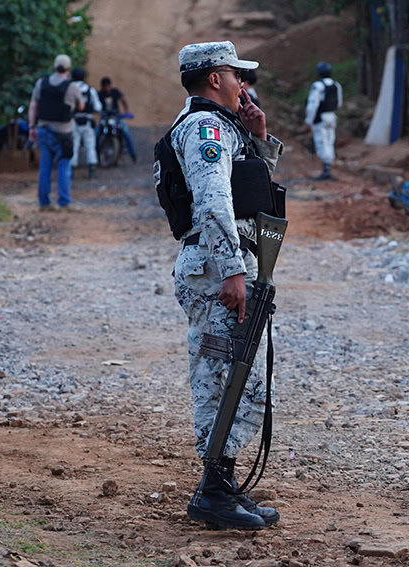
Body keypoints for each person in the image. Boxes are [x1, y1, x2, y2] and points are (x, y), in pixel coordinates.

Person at [171, 41, 284, 530]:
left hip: (228, 261)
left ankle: (224, 486)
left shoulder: (224, 128)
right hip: (219, 267)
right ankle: (212, 492)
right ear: (214, 78)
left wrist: (258, 136)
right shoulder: (206, 127)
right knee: (223, 377)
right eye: (236, 74)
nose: (244, 83)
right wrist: (234, 270)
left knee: (242, 376)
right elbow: (215, 202)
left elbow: (251, 190)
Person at [28, 54, 84, 211]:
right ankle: (64, 202)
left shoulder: (41, 83)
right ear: (68, 69)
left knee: (44, 167)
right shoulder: (72, 86)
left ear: (54, 67)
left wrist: (32, 127)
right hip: (63, 133)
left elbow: (33, 105)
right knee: (63, 167)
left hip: (43, 130)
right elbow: (81, 106)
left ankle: (44, 203)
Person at [304, 61, 342, 181]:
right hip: (332, 116)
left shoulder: (318, 86)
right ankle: (328, 167)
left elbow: (312, 105)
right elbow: (339, 103)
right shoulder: (336, 85)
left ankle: (326, 170)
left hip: (320, 118)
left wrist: (309, 120)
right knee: (330, 141)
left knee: (321, 142)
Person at [69, 67, 101, 178]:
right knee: (90, 145)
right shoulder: (89, 90)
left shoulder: (70, 89)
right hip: (87, 121)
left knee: (74, 145)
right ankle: (91, 169)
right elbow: (98, 106)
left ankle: (71, 170)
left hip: (73, 121)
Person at [97, 77, 137, 163]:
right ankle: (96, 156)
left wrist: (126, 111)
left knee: (126, 133)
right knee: (96, 135)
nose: (107, 88)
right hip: (105, 118)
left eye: (108, 86)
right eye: (105, 87)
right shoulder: (99, 94)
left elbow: (123, 100)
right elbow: (96, 105)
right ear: (102, 87)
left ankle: (132, 153)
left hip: (116, 117)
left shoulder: (115, 92)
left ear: (110, 86)